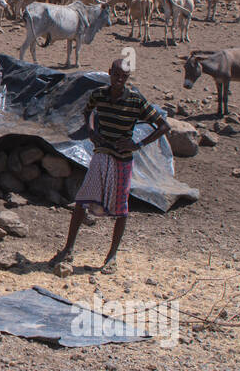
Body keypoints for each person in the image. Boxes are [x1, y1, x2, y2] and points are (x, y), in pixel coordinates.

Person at [45, 58, 171, 274]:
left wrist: (137, 144)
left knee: (121, 208)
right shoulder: (99, 94)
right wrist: (92, 131)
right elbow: (88, 112)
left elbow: (163, 126)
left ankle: (111, 256)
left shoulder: (135, 100)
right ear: (110, 72)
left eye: (123, 77)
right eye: (116, 75)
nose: (119, 80)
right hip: (102, 155)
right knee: (82, 201)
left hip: (122, 159)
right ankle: (68, 249)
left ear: (127, 78)